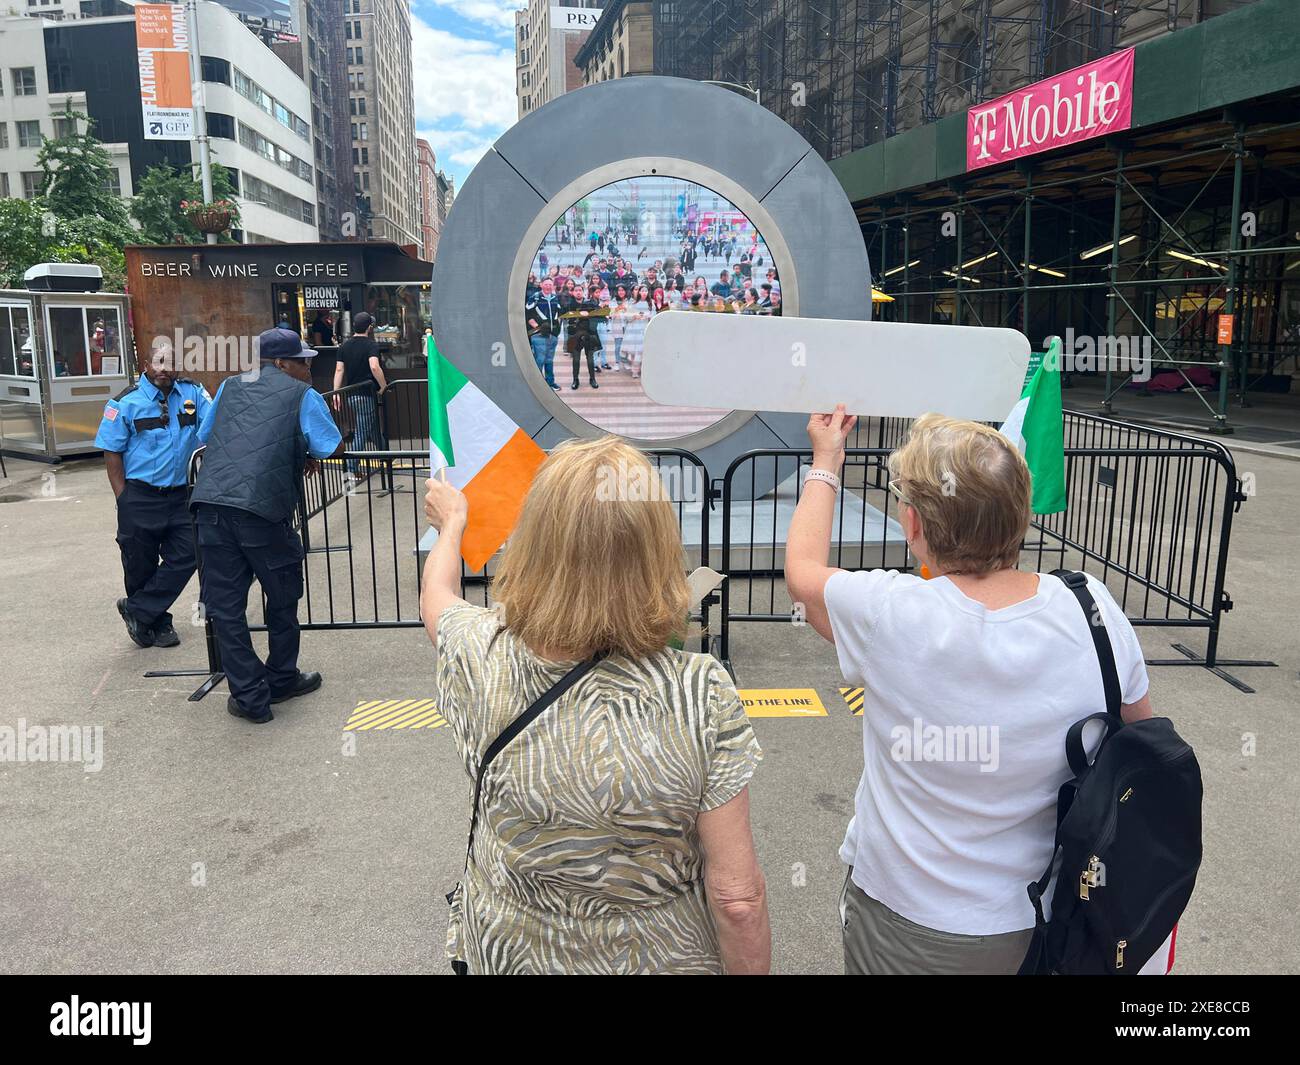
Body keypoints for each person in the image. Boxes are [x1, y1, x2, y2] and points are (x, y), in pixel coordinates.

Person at [784, 409, 1154, 975]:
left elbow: (803, 572)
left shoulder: (890, 613)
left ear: (913, 523)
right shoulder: (1094, 608)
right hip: (1046, 916)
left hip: (907, 917)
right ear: (1022, 513)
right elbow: (1137, 743)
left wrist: (827, 457)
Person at [422, 436, 768, 975]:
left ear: (533, 542)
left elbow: (436, 600)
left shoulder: (480, 650)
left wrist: (452, 526)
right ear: (655, 548)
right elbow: (737, 899)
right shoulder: (701, 692)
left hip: (512, 951)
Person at [192, 329, 344, 725]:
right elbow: (332, 446)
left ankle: (250, 697)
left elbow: (205, 435)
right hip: (262, 512)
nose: (309, 366)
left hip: (211, 506)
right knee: (282, 596)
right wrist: (300, 449)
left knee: (225, 608)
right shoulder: (301, 396)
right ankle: (281, 678)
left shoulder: (228, 386)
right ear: (279, 363)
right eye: (302, 360)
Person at [94, 341, 212, 649]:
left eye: (170, 363)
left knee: (190, 553)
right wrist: (124, 499)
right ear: (146, 364)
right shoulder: (125, 402)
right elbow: (112, 453)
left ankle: (138, 610)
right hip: (140, 495)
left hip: (179, 495)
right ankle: (156, 623)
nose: (164, 369)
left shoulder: (193, 395)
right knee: (139, 563)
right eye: (158, 362)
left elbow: (215, 428)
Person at [332, 311, 389, 475]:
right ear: (369, 328)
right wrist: (383, 385)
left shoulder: (344, 346)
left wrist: (336, 393)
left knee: (371, 428)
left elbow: (339, 369)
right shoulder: (371, 345)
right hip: (366, 393)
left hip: (351, 394)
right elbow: (374, 366)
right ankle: (351, 469)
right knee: (362, 432)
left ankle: (386, 455)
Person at [525, 277, 563, 390]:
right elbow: (528, 315)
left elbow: (560, 314)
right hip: (540, 335)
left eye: (550, 284)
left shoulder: (556, 298)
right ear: (541, 285)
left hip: (553, 335)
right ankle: (537, 385)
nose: (548, 286)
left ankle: (550, 383)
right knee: (540, 359)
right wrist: (538, 328)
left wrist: (557, 329)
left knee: (549, 359)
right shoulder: (535, 297)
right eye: (546, 284)